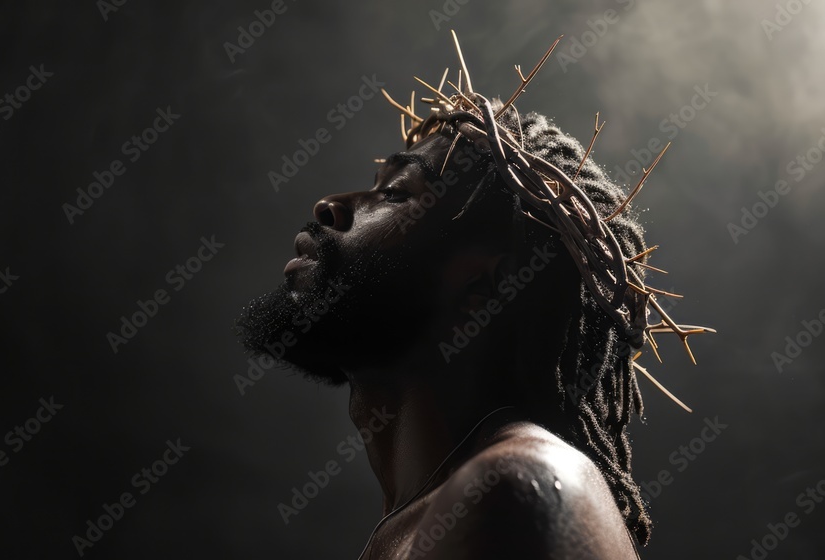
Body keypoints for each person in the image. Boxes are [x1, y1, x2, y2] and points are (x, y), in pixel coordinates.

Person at [237, 32, 709, 559]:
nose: (330, 205)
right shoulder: (437, 511)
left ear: (482, 285)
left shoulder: (510, 487)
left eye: (396, 193)